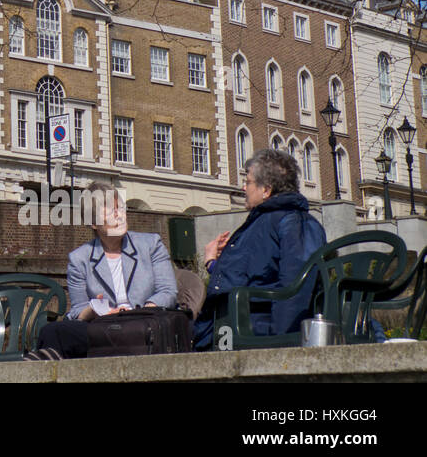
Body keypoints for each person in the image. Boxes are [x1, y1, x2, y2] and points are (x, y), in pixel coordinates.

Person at [25, 183, 178, 360]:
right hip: (105, 328)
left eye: (120, 208)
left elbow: (168, 292)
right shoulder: (79, 259)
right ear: (93, 223)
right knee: (53, 331)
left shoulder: (151, 245)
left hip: (145, 322)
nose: (118, 215)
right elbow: (77, 311)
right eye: (109, 211)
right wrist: (93, 309)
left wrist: (141, 311)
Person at [194, 149, 327, 349]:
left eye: (248, 182)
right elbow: (245, 277)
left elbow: (296, 286)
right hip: (229, 327)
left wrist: (279, 344)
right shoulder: (262, 222)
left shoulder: (293, 222)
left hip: (256, 331)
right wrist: (212, 262)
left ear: (266, 189)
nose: (243, 188)